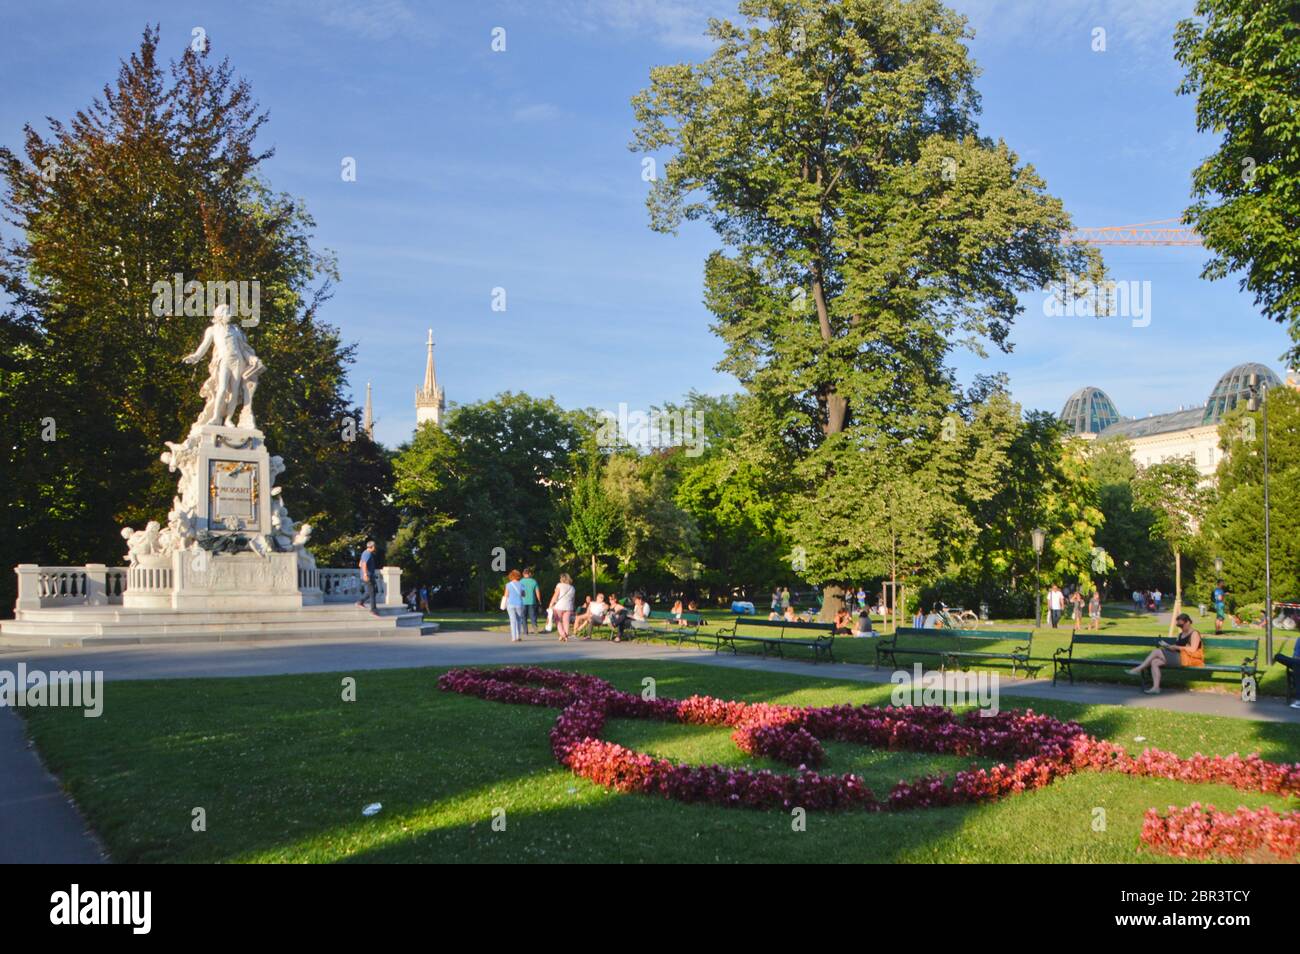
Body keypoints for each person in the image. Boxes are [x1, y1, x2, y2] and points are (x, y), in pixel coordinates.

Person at [1126, 612, 1203, 694]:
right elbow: (1177, 648)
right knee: (1154, 662)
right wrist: (1169, 647)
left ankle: (1139, 669)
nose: (1181, 628)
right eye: (1178, 626)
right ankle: (1156, 688)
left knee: (1156, 651)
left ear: (1188, 622)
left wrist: (1177, 647)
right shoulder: (1180, 635)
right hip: (1179, 657)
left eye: (1181, 625)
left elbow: (1193, 649)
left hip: (1189, 659)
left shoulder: (1194, 633)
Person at [546, 572, 576, 642]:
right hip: (569, 607)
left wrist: (551, 604)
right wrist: (573, 607)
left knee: (557, 620)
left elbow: (555, 596)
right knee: (566, 621)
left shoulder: (559, 585)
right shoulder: (572, 588)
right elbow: (573, 599)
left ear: (562, 578)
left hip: (559, 606)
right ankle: (565, 635)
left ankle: (563, 634)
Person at [1272, 642, 1300, 710]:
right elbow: (1296, 655)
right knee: (1278, 656)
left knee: (1296, 665)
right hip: (1296, 661)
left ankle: (1299, 700)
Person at [356, 540, 379, 615]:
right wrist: (365, 574)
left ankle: (360, 602)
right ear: (372, 547)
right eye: (375, 547)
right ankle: (373, 610)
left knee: (372, 591)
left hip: (369, 575)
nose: (375, 548)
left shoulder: (365, 553)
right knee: (372, 592)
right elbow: (364, 564)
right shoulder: (368, 554)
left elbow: (360, 564)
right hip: (368, 576)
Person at [503, 569, 526, 642]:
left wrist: (504, 603)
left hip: (510, 604)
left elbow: (506, 595)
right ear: (518, 576)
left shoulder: (508, 585)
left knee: (512, 620)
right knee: (519, 620)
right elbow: (523, 594)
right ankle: (518, 636)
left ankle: (513, 637)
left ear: (511, 576)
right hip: (519, 604)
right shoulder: (521, 584)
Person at [519, 568, 541, 635]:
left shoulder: (521, 581)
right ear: (530, 574)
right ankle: (535, 629)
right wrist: (539, 601)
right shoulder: (534, 581)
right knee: (533, 616)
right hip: (532, 601)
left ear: (523, 574)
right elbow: (537, 592)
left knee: (523, 616)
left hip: (523, 601)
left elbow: (520, 592)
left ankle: (525, 632)